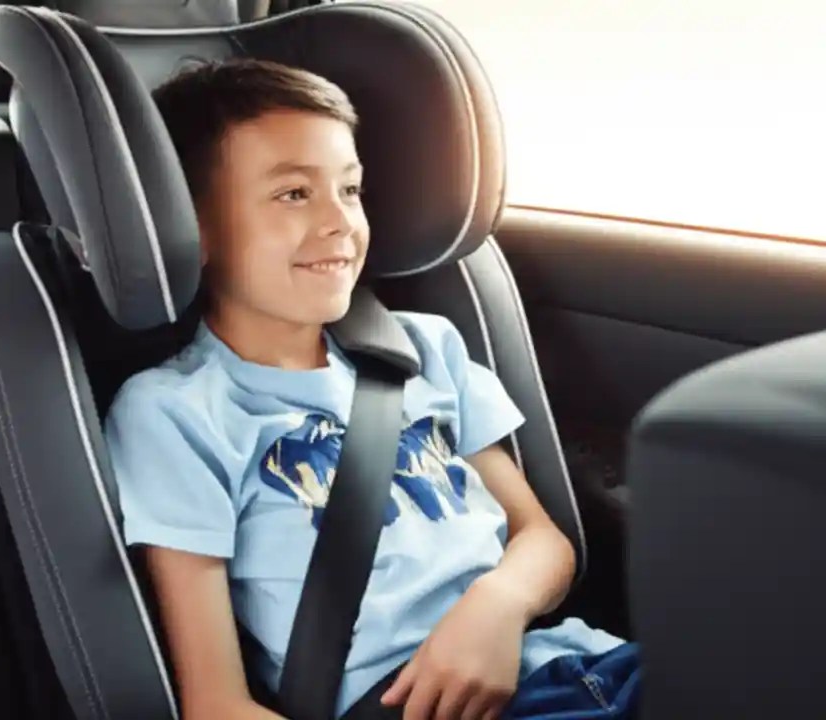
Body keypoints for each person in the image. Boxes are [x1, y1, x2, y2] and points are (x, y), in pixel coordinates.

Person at [104, 58, 641, 720]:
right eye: (294, 194)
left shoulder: (423, 347)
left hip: (586, 664)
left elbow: (543, 539)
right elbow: (215, 703)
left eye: (351, 190)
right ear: (195, 227)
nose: (340, 222)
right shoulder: (177, 412)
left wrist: (496, 607)